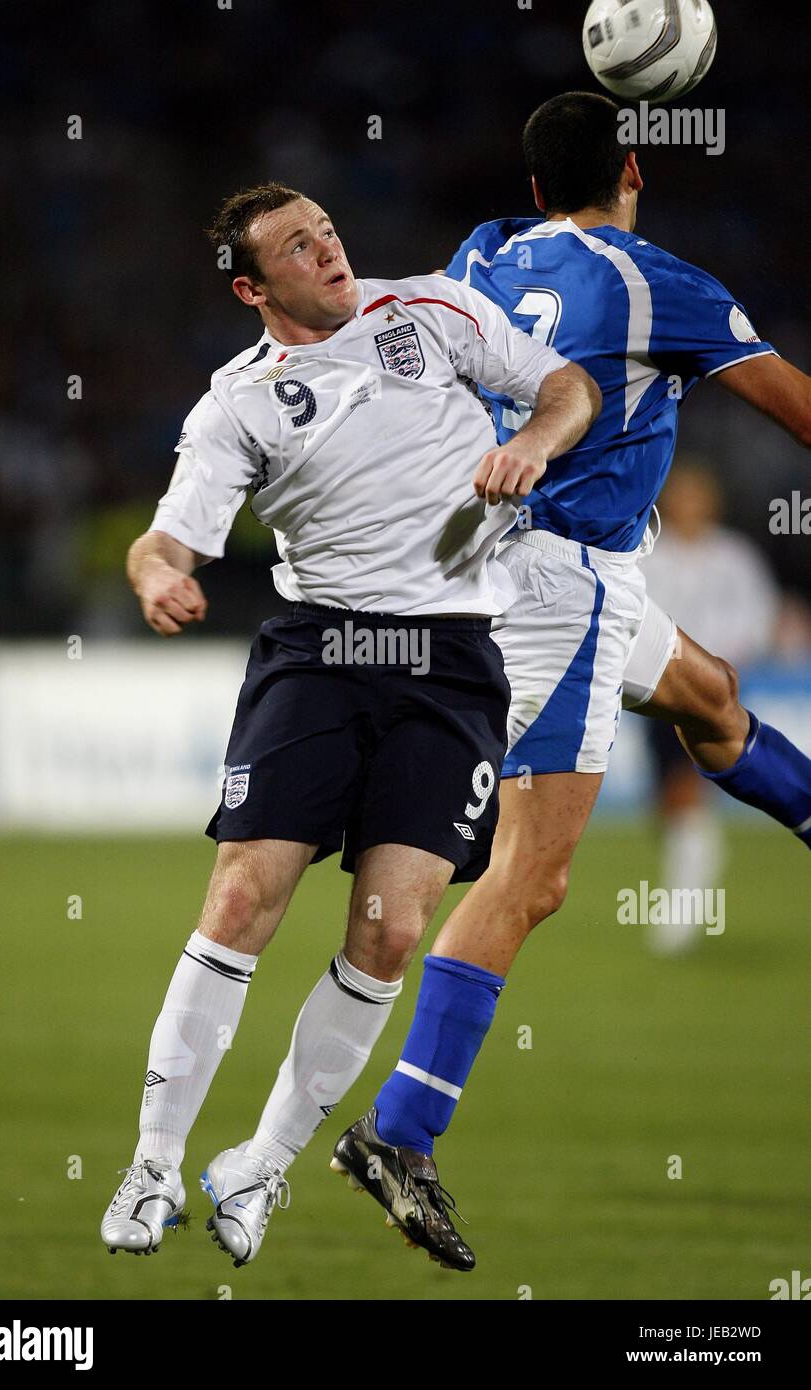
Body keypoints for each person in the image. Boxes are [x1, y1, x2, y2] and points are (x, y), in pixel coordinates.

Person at [332, 92, 811, 1271]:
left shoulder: (483, 250)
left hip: (485, 559)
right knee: (529, 877)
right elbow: (796, 410)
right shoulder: (665, 285)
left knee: (705, 697)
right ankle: (398, 1134)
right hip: (564, 583)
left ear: (536, 187)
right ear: (636, 166)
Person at [99, 182, 600, 1263]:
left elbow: (565, 388)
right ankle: (152, 1162)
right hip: (321, 652)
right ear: (251, 287)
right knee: (240, 895)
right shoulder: (236, 401)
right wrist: (154, 580)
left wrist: (539, 445)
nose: (328, 248)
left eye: (327, 226)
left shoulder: (432, 312)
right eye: (295, 245)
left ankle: (262, 1165)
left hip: (452, 659)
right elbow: (166, 540)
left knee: (389, 931)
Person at [640, 462, 780, 954]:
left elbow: (761, 618)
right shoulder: (647, 554)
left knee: (686, 790)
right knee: (668, 802)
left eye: (697, 496)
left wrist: (722, 660)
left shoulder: (733, 557)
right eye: (680, 496)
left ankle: (680, 916)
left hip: (714, 690)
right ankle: (694, 861)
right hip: (657, 689)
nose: (688, 506)